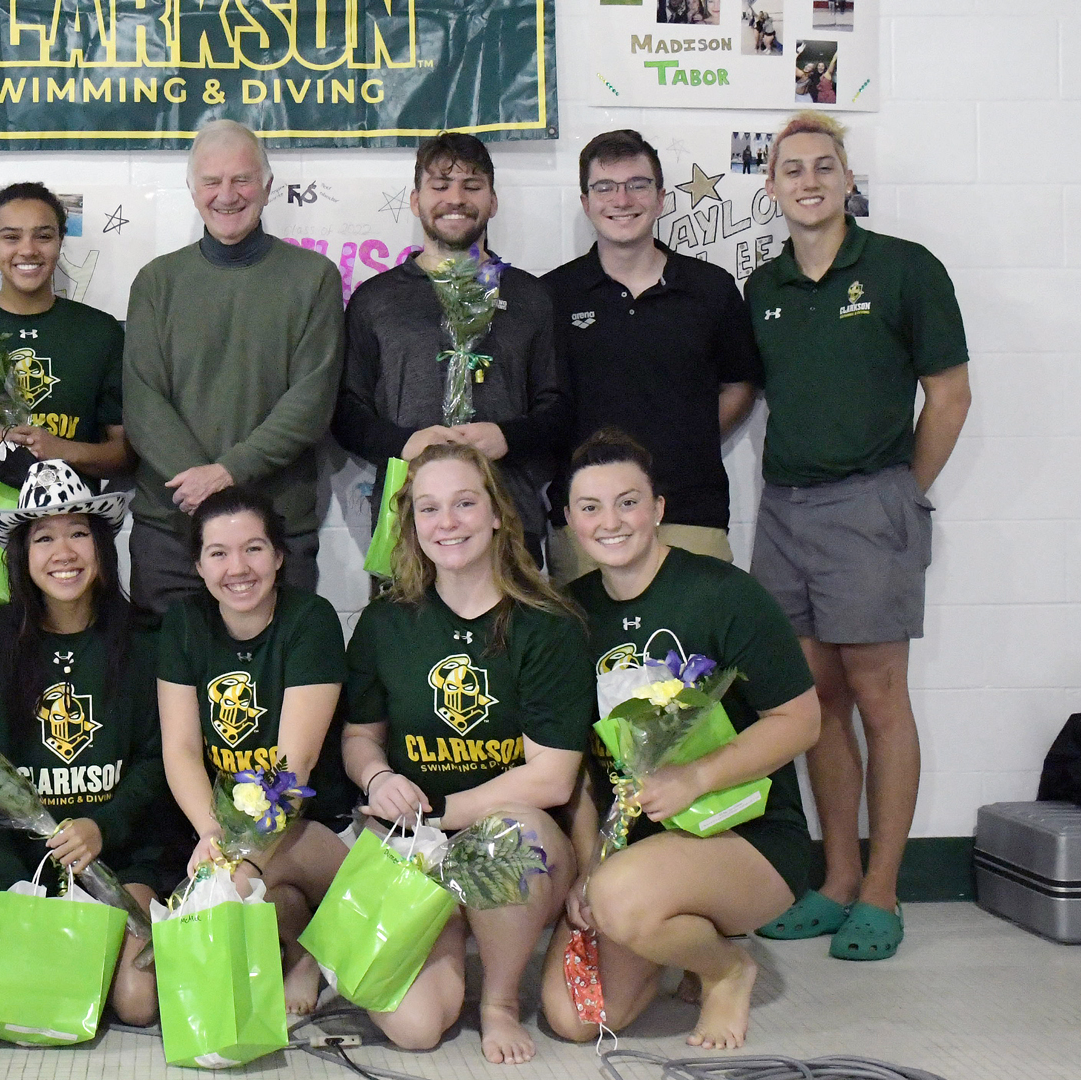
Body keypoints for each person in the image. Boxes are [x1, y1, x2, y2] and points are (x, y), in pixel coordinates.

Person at [744, 111, 970, 961]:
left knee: (880, 700)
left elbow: (949, 395)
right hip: (783, 513)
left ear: (847, 180)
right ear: (771, 188)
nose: (808, 180)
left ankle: (883, 892)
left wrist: (901, 495)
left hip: (871, 505)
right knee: (815, 705)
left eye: (823, 166)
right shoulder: (763, 289)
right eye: (791, 169)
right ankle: (836, 881)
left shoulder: (906, 270)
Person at [539, 430, 819, 1051]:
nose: (610, 522)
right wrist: (588, 868)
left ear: (659, 508)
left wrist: (695, 777)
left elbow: (801, 722)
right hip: (640, 851)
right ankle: (678, 938)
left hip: (744, 837)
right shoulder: (568, 614)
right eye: (590, 508)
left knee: (620, 897)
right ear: (569, 522)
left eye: (628, 502)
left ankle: (726, 968)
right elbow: (579, 769)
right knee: (575, 1017)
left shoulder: (725, 594)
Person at [339, 443, 585, 1063]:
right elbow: (359, 737)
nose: (446, 523)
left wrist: (442, 811)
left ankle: (499, 999)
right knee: (416, 1028)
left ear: (498, 513)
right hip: (413, 845)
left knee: (507, 837)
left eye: (464, 503)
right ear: (411, 525)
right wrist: (376, 779)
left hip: (509, 839)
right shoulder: (384, 622)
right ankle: (447, 931)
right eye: (429, 509)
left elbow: (552, 781)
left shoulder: (546, 625)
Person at [0, 460, 161, 1026]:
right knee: (6, 1008)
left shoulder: (145, 643)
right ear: (21, 555)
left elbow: (154, 763)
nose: (62, 551)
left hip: (121, 856)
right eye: (43, 537)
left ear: (100, 545)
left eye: (77, 532)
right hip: (24, 869)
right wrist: (13, 885)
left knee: (138, 1004)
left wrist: (102, 828)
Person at [122, 119, 343, 614]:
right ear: (192, 189)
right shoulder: (157, 282)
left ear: (267, 187)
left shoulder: (314, 280)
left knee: (278, 683)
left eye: (242, 179)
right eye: (211, 181)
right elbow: (142, 402)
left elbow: (309, 404)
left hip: (276, 530)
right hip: (171, 532)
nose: (227, 195)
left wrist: (226, 474)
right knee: (167, 683)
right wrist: (199, 484)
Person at [158, 487, 352, 1016]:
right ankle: (298, 939)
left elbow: (293, 767)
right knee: (246, 897)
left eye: (254, 549)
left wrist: (231, 855)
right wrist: (211, 833)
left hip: (317, 827)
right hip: (224, 827)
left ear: (280, 556)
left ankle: (312, 956)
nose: (237, 568)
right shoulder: (184, 624)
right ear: (198, 565)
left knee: (233, 885)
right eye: (218, 553)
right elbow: (179, 750)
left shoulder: (309, 619)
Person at [335, 132, 567, 562]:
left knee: (515, 630)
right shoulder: (375, 299)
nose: (455, 199)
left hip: (511, 519)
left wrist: (507, 436)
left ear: (493, 201)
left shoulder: (531, 297)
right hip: (408, 523)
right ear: (415, 200)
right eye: (440, 186)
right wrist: (404, 443)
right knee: (408, 628)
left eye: (471, 186)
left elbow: (560, 407)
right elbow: (345, 413)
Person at [543, 130, 760, 583]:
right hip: (587, 526)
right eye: (605, 187)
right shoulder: (551, 296)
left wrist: (690, 431)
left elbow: (740, 383)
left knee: (697, 653)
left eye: (638, 184)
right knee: (587, 654)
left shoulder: (711, 289)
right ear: (586, 203)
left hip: (690, 517)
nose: (622, 199)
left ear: (661, 198)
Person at [0, 182, 132, 642]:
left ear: (60, 242)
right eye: (11, 236)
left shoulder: (99, 333)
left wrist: (63, 451)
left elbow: (123, 457)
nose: (27, 249)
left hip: (68, 555)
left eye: (43, 235)